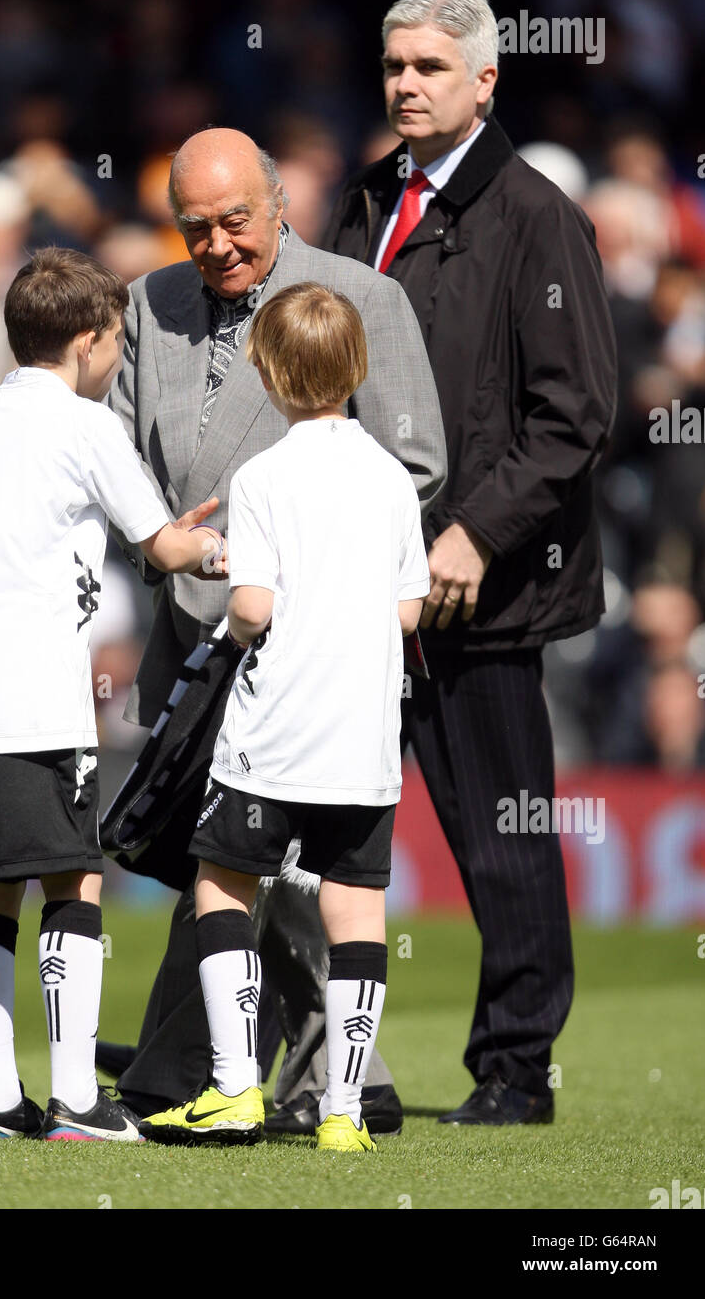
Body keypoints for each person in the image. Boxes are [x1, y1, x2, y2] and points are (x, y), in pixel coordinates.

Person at [101, 126, 446, 1129]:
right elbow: (123, 468)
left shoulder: (358, 298)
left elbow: (416, 465)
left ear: (280, 202)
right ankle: (229, 1074)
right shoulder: (147, 302)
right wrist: (157, 545)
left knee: (277, 871)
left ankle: (312, 1079)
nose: (214, 243)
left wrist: (295, 568)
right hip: (188, 640)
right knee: (221, 861)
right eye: (193, 227)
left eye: (234, 221)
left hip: (300, 646)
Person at [321, 0, 617, 1124]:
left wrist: (473, 534)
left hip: (478, 594)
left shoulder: (537, 214)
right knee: (311, 829)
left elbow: (574, 413)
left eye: (428, 69)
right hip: (355, 582)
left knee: (501, 839)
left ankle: (514, 1069)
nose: (403, 84)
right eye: (393, 65)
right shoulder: (367, 197)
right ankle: (318, 1057)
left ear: (484, 81)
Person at [0, 246, 226, 1142]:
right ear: (90, 341)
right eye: (117, 344)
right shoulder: (86, 426)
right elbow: (164, 548)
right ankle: (79, 1100)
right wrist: (221, 545)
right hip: (39, 700)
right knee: (74, 875)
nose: (118, 361)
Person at [139, 283, 428, 1152]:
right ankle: (343, 1108)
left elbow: (256, 609)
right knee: (356, 906)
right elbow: (410, 612)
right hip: (363, 738)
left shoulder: (262, 476)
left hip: (272, 734)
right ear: (357, 368)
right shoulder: (389, 477)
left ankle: (235, 1090)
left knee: (224, 884)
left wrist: (231, 618)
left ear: (266, 371)